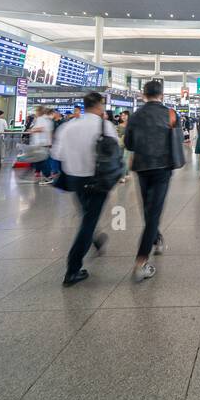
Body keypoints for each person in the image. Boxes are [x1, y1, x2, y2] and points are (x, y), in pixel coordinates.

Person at [50, 92, 120, 287]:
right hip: (98, 179)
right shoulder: (105, 126)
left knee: (87, 215)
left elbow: (57, 154)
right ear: (99, 106)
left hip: (74, 179)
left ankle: (95, 240)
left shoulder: (67, 126)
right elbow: (115, 152)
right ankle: (72, 269)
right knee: (89, 221)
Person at [123, 79, 180, 282]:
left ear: (143, 95)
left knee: (148, 210)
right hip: (163, 168)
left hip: (142, 168)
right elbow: (177, 140)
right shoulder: (171, 114)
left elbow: (128, 144)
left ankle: (156, 237)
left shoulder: (136, 116)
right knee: (153, 212)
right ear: (161, 95)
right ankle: (141, 262)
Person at [28, 106, 56, 183]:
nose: (35, 113)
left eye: (36, 111)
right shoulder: (47, 119)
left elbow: (41, 128)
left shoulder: (41, 119)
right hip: (44, 143)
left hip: (41, 143)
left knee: (43, 161)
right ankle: (46, 175)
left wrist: (32, 130)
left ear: (39, 112)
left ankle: (48, 176)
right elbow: (49, 131)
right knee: (42, 160)